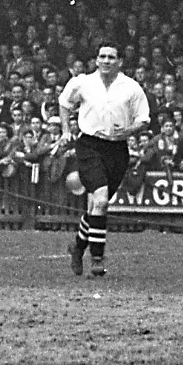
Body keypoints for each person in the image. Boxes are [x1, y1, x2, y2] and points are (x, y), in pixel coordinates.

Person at [59, 42, 151, 278]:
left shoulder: (131, 87)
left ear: (120, 61)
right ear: (96, 60)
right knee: (100, 201)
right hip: (90, 145)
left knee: (96, 207)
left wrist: (128, 131)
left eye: (111, 57)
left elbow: (144, 119)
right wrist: (65, 130)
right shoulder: (83, 83)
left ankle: (77, 247)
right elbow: (64, 103)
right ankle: (97, 258)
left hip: (117, 149)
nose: (106, 61)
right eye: (102, 56)